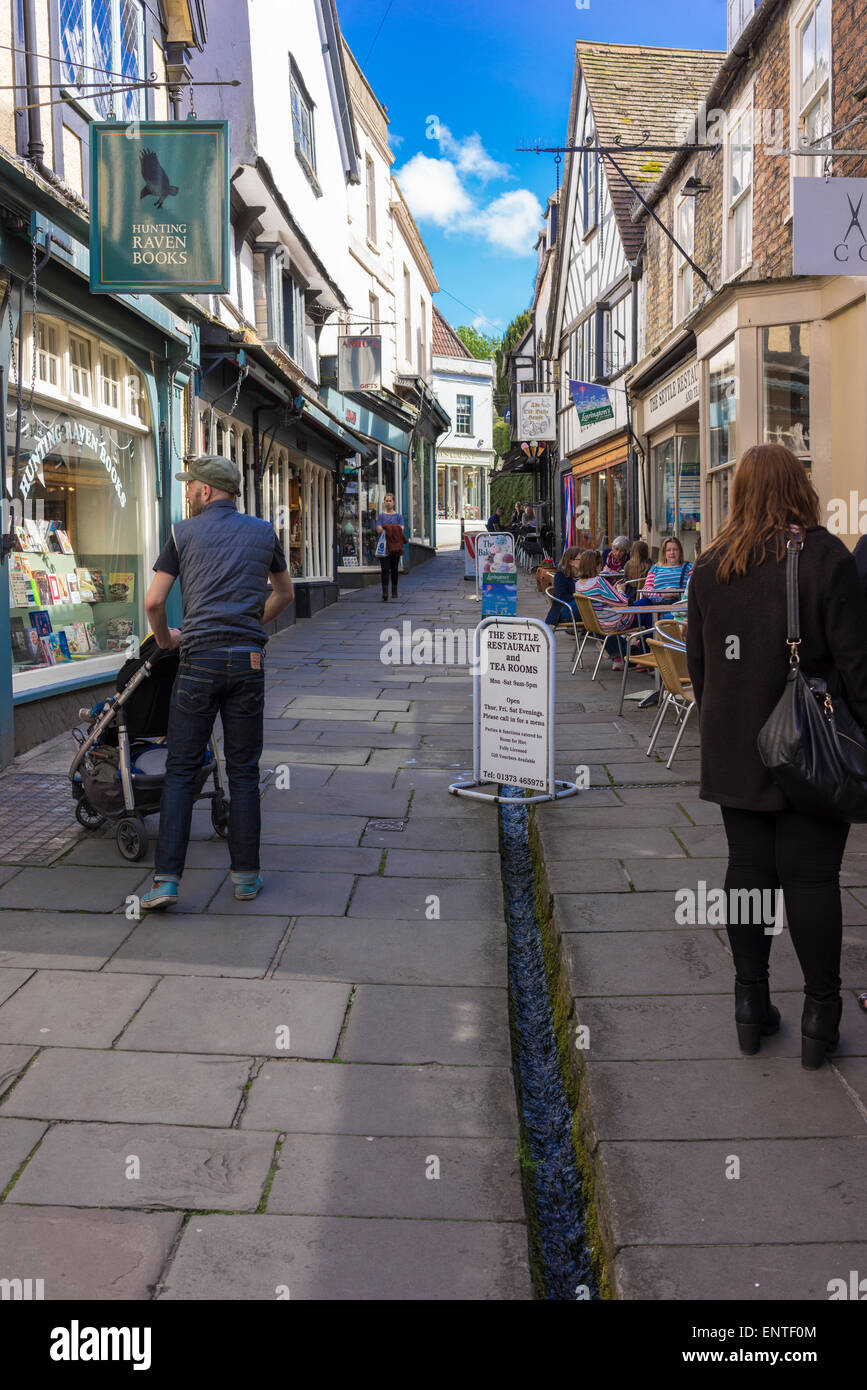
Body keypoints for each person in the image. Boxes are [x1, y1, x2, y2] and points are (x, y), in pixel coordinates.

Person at [686, 443, 867, 1068]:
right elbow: (857, 667)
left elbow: (700, 670)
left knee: (748, 876)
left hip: (736, 749)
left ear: (737, 493)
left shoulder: (709, 566)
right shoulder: (825, 556)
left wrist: (724, 729)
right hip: (811, 751)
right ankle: (821, 1019)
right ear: (799, 487)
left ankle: (750, 1006)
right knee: (812, 880)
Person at [141, 455, 295, 909]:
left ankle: (166, 881)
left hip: (198, 660)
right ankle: (246, 877)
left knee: (181, 771)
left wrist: (167, 637)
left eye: (191, 486)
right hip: (247, 661)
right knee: (244, 770)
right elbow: (285, 593)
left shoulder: (182, 533)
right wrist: (252, 624)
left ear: (206, 491)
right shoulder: (264, 533)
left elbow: (154, 601)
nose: (188, 492)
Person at [573, 548, 636, 670]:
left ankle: (621, 653)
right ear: (595, 566)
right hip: (612, 623)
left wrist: (611, 590)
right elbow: (623, 602)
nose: (601, 569)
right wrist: (620, 590)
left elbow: (602, 599)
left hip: (595, 624)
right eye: (599, 566)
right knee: (646, 610)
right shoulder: (599, 581)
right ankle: (643, 656)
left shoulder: (578, 584)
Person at [376, 493, 407, 601]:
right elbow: (378, 529)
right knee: (385, 569)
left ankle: (394, 590)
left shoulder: (399, 516)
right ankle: (385, 592)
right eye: (386, 501)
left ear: (393, 503)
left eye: (390, 501)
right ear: (384, 502)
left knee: (394, 569)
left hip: (395, 546)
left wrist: (386, 527)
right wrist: (393, 528)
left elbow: (401, 529)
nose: (388, 503)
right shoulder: (381, 516)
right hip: (383, 546)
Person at [544, 546, 582, 625]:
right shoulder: (561, 575)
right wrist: (580, 597)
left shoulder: (584, 575)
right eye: (581, 559)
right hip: (563, 610)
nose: (584, 561)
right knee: (587, 604)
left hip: (578, 608)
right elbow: (561, 597)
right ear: (571, 562)